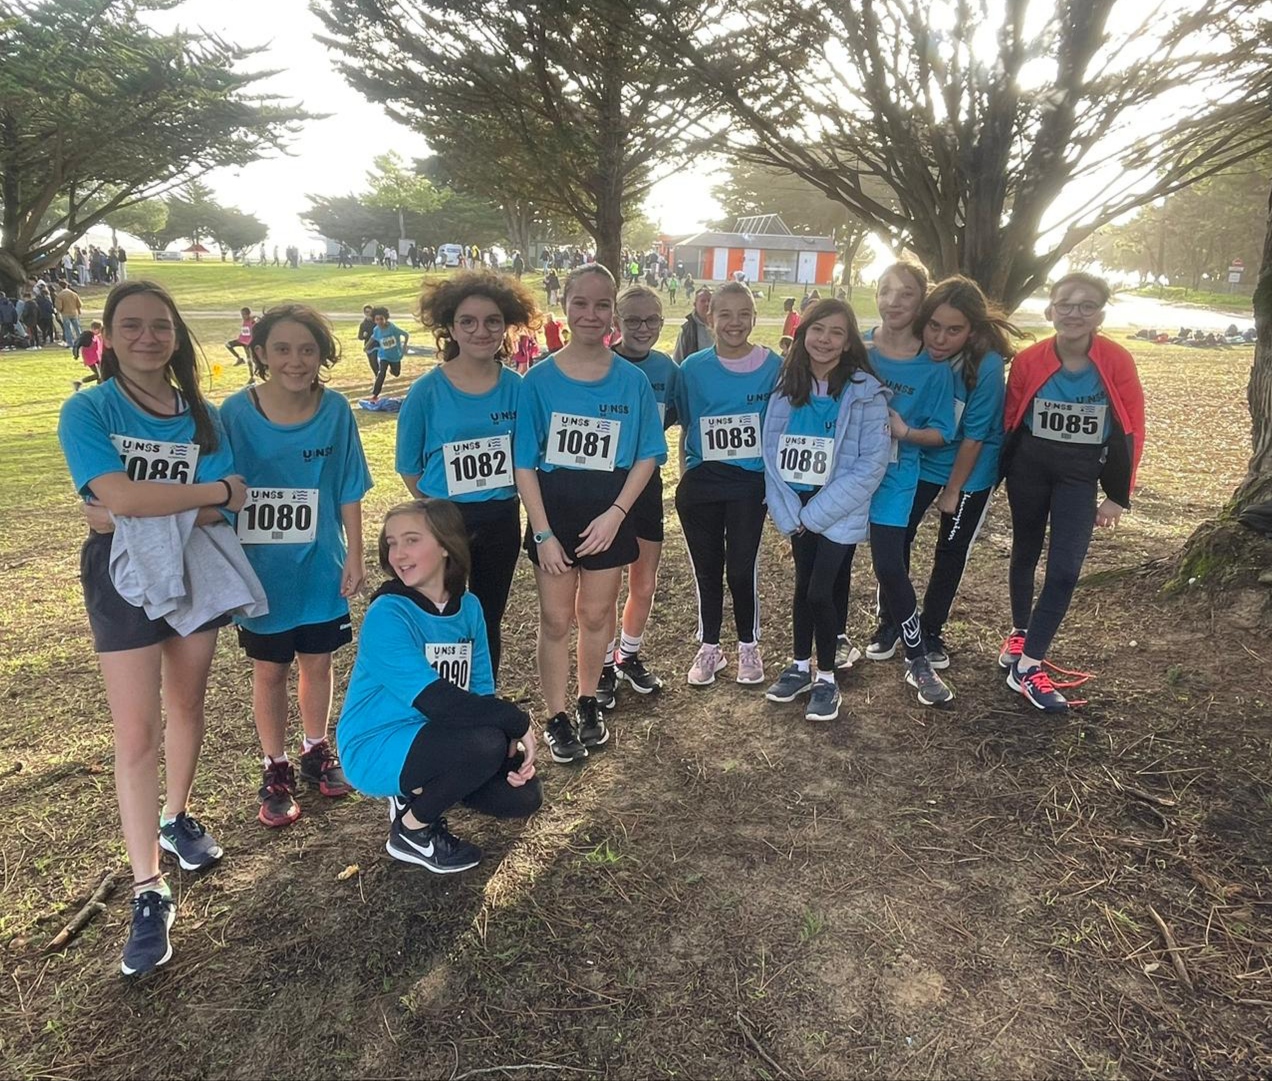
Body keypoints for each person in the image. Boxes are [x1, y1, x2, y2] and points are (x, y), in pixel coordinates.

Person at [56, 280, 250, 976]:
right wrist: (201, 493)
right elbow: (117, 501)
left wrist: (141, 506)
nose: (147, 337)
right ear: (107, 334)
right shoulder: (88, 409)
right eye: (131, 326)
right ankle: (148, 885)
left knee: (187, 703)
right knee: (136, 732)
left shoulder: (200, 414)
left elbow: (226, 506)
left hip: (197, 567)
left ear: (175, 335)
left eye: (160, 326)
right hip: (121, 574)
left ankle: (178, 814)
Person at [221, 305, 372, 828]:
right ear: (260, 353)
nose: (296, 360)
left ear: (321, 354)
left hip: (320, 565)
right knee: (270, 670)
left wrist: (354, 552)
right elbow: (219, 493)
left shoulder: (335, 410)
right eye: (282, 349)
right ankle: (275, 766)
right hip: (261, 571)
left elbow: (350, 487)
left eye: (307, 349)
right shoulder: (234, 414)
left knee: (318, 662)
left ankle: (315, 750)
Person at [514, 264, 667, 763]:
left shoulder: (633, 381)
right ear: (565, 306)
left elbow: (648, 452)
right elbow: (523, 461)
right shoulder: (536, 381)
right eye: (581, 303)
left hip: (609, 514)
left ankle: (587, 702)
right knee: (556, 619)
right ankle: (555, 714)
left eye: (602, 305)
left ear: (613, 313)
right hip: (554, 513)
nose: (591, 314)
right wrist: (543, 533)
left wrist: (617, 514)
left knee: (596, 614)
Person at [338, 500, 541, 869]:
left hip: (442, 734)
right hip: (376, 744)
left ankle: (415, 789)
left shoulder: (470, 607)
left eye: (411, 540)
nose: (398, 553)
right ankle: (412, 831)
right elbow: (438, 701)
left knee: (522, 796)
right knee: (485, 743)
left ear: (446, 545)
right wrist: (515, 721)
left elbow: (479, 692)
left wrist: (507, 741)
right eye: (392, 542)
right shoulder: (388, 613)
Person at [1000, 272, 1145, 711]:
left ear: (1100, 314)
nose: (1075, 313)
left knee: (1064, 570)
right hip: (1029, 468)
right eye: (1066, 304)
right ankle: (1021, 634)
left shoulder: (1117, 360)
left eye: (1086, 305)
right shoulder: (1029, 360)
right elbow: (1010, 420)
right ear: (1051, 310)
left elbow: (1132, 428)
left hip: (1080, 475)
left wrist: (1119, 493)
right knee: (1025, 551)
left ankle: (1027, 668)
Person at [398, 270, 539, 680]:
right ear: (451, 328)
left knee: (487, 616)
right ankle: (439, 699)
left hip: (500, 519)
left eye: (492, 321)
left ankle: (482, 700)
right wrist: (436, 510)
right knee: (442, 612)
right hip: (446, 521)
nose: (481, 331)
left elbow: (525, 458)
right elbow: (409, 465)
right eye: (468, 322)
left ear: (506, 326)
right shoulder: (427, 390)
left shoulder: (517, 387)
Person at [762, 299, 891, 720]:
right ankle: (800, 666)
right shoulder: (787, 385)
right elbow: (771, 452)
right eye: (818, 329)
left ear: (850, 340)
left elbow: (870, 465)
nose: (826, 339)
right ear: (803, 332)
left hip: (839, 512)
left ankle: (827, 678)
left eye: (837, 332)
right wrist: (788, 512)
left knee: (821, 590)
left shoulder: (865, 393)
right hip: (796, 508)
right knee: (803, 587)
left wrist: (814, 514)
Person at [903, 277, 1020, 671]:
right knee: (896, 536)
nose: (940, 338)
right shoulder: (915, 349)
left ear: (972, 330)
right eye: (934, 325)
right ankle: (894, 622)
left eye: (954, 330)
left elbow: (974, 435)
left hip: (969, 468)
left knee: (951, 550)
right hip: (920, 459)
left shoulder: (985, 364)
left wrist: (953, 491)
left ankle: (931, 630)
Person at [671, 281, 782, 687]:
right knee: (706, 568)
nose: (735, 323)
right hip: (702, 483)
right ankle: (710, 647)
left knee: (740, 568)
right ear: (709, 317)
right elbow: (686, 422)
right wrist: (688, 472)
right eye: (725, 314)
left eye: (743, 314)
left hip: (750, 484)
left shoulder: (776, 366)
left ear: (754, 317)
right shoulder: (692, 369)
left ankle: (749, 645)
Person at [861, 262, 958, 707]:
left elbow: (943, 432)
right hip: (847, 474)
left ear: (921, 302)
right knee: (831, 560)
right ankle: (830, 647)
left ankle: (917, 659)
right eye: (885, 291)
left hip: (898, 477)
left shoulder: (935, 368)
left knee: (889, 564)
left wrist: (904, 432)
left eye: (905, 295)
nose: (893, 302)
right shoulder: (858, 350)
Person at [595, 285, 680, 709]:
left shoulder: (668, 368)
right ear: (616, 322)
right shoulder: (601, 365)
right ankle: (604, 665)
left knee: (643, 581)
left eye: (652, 320)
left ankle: (627, 655)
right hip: (605, 491)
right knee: (605, 588)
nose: (643, 328)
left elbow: (677, 419)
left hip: (647, 487)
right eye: (632, 320)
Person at [368, 306, 410, 400]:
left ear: (385, 318)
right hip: (384, 355)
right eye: (377, 319)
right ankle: (375, 394)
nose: (379, 322)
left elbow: (406, 334)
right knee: (381, 373)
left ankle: (392, 370)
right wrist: (366, 346)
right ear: (374, 320)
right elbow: (373, 337)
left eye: (381, 319)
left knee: (396, 373)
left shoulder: (392, 328)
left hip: (395, 355)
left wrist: (404, 346)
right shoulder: (376, 330)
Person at [672, 286, 714, 363]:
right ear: (695, 304)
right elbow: (678, 360)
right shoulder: (687, 330)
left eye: (710, 301)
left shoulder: (723, 327)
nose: (707, 304)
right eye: (703, 301)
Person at [71, 319, 104, 390]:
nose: (100, 332)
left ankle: (99, 387)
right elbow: (77, 343)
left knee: (102, 373)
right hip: (90, 358)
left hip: (96, 357)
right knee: (98, 374)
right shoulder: (87, 335)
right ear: (95, 329)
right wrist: (76, 354)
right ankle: (79, 382)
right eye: (99, 330)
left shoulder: (95, 336)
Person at [56, 282, 83, 348]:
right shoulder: (74, 294)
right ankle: (81, 341)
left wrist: (58, 313)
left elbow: (59, 307)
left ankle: (70, 343)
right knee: (77, 328)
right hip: (74, 313)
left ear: (60, 286)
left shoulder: (60, 295)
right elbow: (79, 304)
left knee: (68, 329)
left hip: (65, 314)